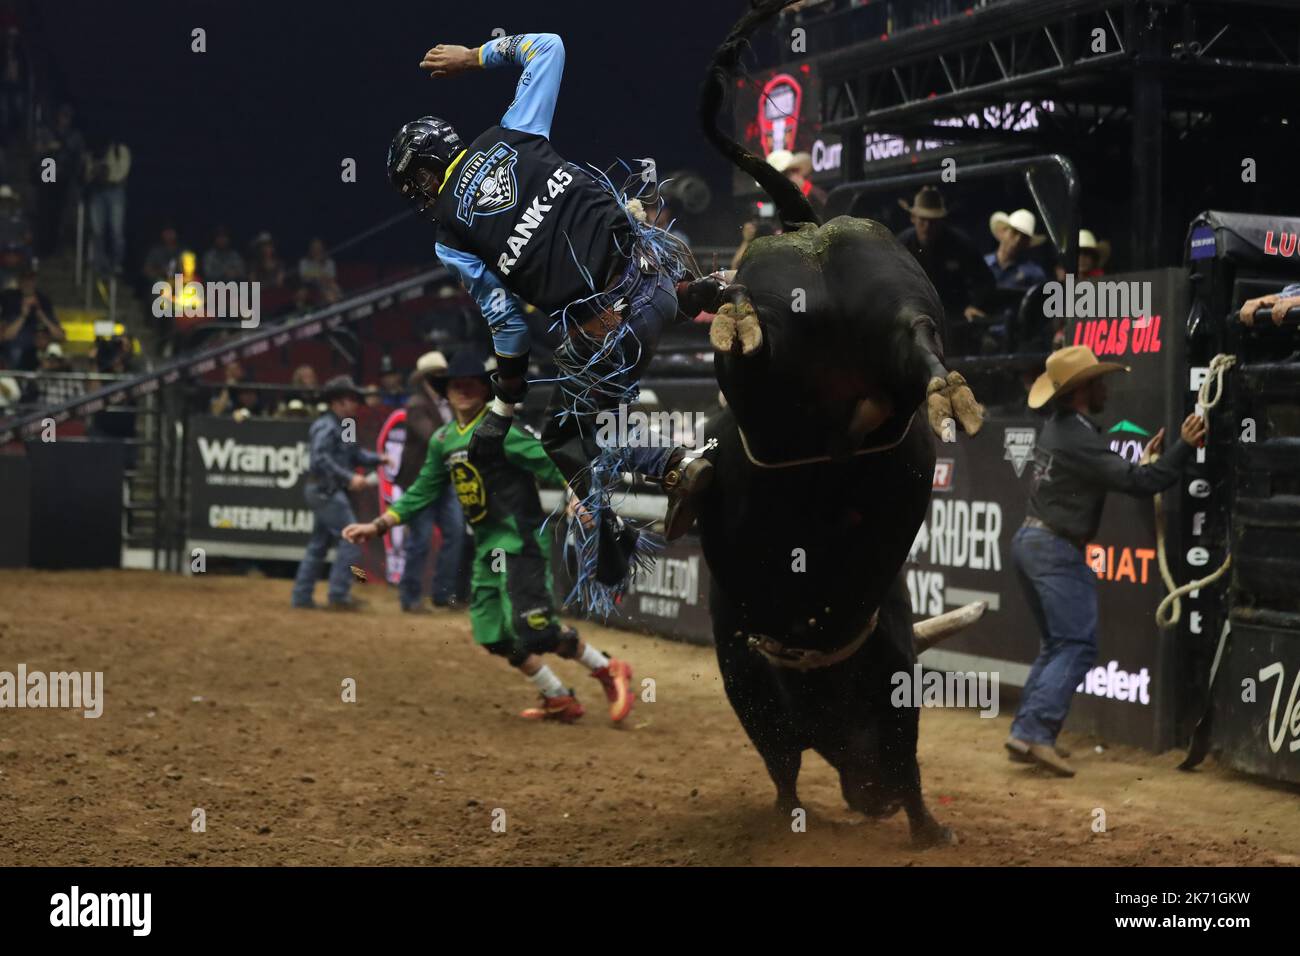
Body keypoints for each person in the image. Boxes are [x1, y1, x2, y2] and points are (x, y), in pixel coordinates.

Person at [387, 30, 716, 606]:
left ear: (432, 165)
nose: (417, 192)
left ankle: (674, 465)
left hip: (613, 330)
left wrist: (506, 394)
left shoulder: (450, 238)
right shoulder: (513, 131)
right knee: (638, 246)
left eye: (415, 178)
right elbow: (552, 46)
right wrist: (475, 57)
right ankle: (700, 294)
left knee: (568, 439)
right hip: (655, 277)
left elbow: (508, 325)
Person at [342, 349, 635, 722]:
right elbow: (423, 489)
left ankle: (606, 667)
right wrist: (379, 524)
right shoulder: (443, 440)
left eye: (471, 384)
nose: (463, 390)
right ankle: (557, 695)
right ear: (445, 392)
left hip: (520, 541)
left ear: (486, 390)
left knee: (534, 628)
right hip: (486, 548)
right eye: (455, 385)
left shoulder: (505, 430)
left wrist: (574, 494)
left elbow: (549, 460)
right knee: (493, 634)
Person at [1006, 346, 1207, 776]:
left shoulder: (1065, 428)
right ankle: (1035, 732)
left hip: (1034, 542)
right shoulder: (1077, 435)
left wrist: (1148, 459)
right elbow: (1141, 482)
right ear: (1082, 389)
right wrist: (1184, 447)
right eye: (1099, 382)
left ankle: (1027, 731)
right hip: (1055, 547)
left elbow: (1112, 470)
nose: (1105, 389)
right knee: (1076, 644)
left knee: (1059, 644)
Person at [291, 375, 391, 610]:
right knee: (352, 540)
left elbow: (353, 454)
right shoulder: (326, 425)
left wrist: (378, 458)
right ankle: (337, 595)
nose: (356, 403)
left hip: (325, 490)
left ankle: (302, 596)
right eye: (351, 399)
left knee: (319, 543)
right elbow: (320, 459)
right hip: (325, 491)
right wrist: (349, 477)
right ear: (337, 402)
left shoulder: (344, 425)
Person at [394, 349, 469, 612]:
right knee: (422, 538)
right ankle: (411, 596)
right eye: (438, 375)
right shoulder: (416, 405)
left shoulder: (448, 404)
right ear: (427, 378)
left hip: (445, 480)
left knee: (455, 533)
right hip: (421, 481)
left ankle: (442, 594)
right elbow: (433, 437)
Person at [895, 186, 994, 356]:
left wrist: (974, 305)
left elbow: (985, 281)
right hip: (913, 319)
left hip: (955, 320)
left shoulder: (960, 244)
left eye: (933, 221)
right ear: (913, 218)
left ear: (942, 221)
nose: (927, 226)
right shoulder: (901, 245)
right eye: (923, 220)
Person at [84, 137, 130, 276]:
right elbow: (88, 175)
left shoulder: (119, 149)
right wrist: (94, 172)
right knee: (97, 232)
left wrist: (104, 172)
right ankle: (100, 265)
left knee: (116, 231)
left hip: (115, 191)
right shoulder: (93, 152)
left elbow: (121, 173)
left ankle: (116, 263)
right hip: (97, 192)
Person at [0, 269, 63, 370]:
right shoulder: (9, 299)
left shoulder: (43, 301)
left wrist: (41, 315)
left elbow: (60, 335)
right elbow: (5, 336)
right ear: (19, 281)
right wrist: (23, 315)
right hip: (17, 348)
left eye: (31, 280)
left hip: (41, 350)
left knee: (54, 353)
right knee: (16, 352)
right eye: (25, 280)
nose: (28, 284)